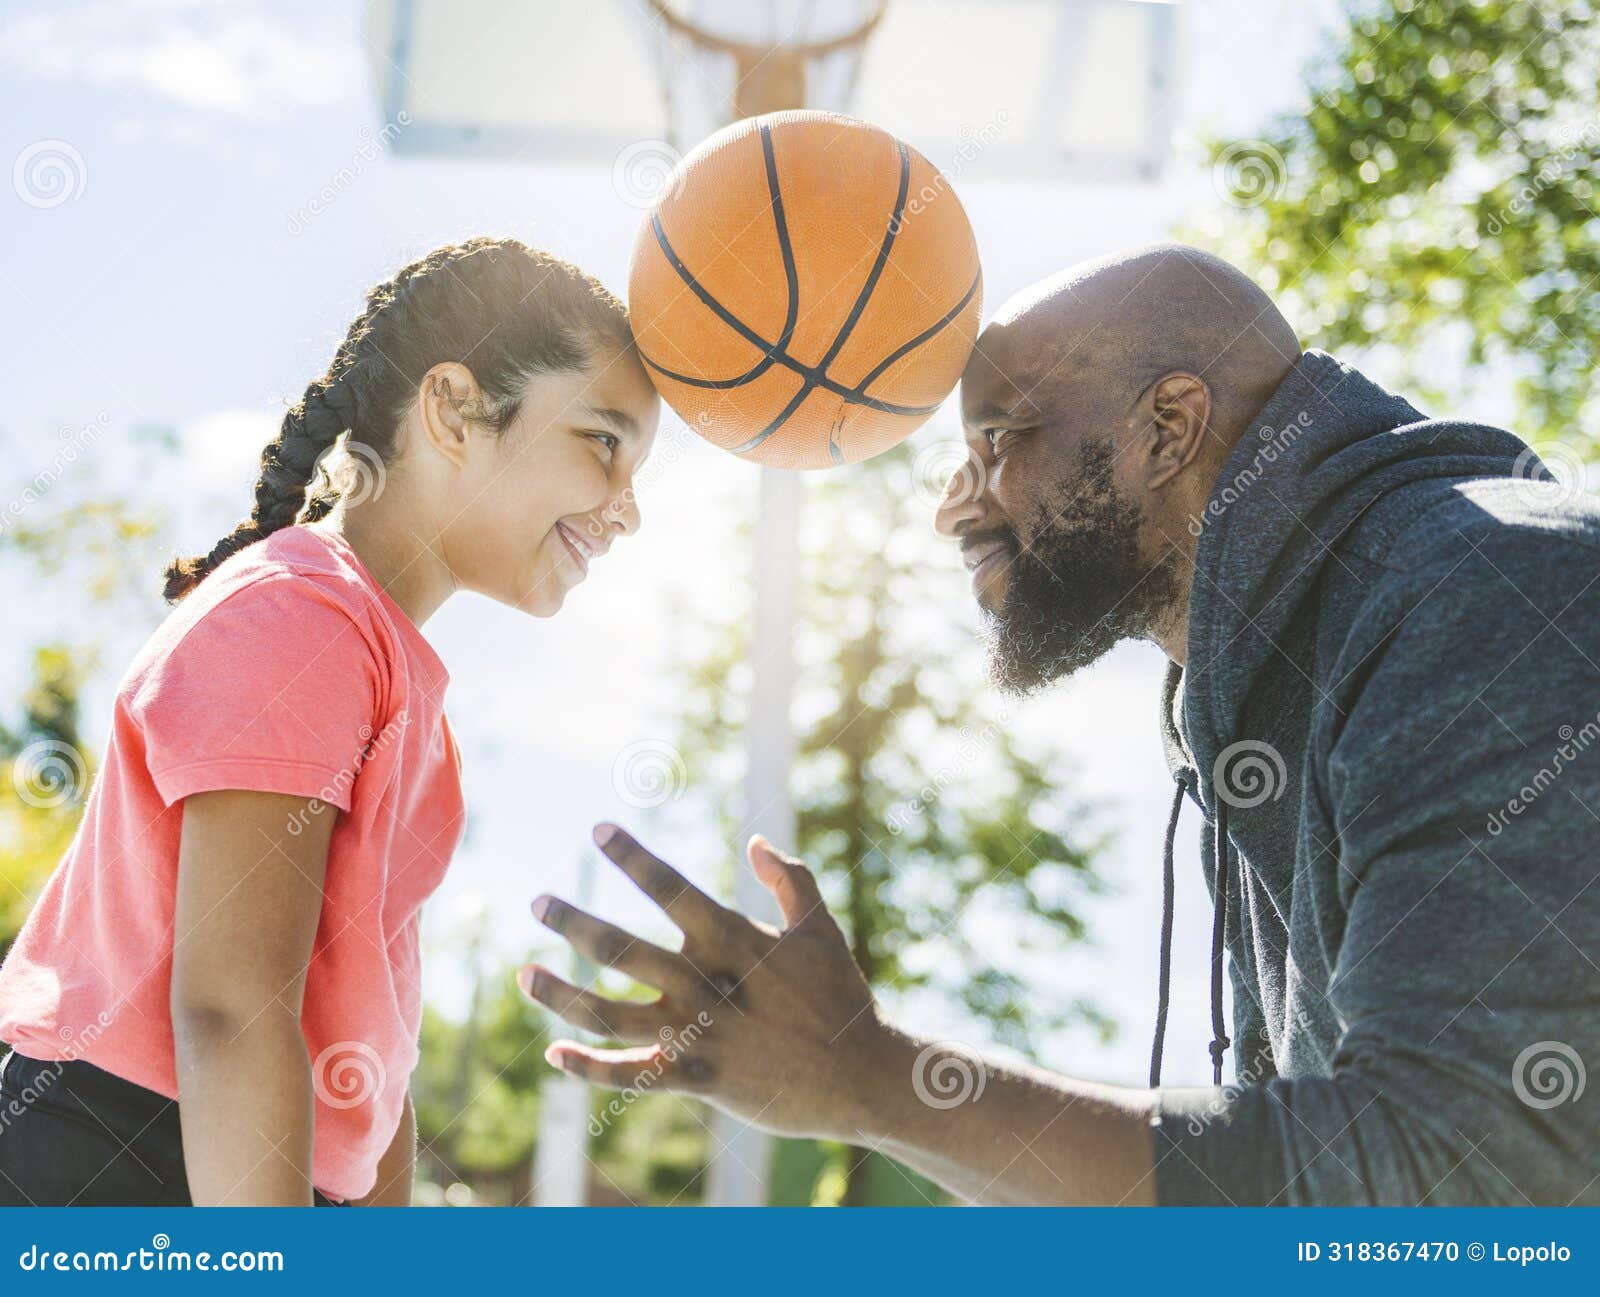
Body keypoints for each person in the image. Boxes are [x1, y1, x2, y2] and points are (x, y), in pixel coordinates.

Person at [520, 243, 1600, 1206]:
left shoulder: (1491, 590)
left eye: (998, 436)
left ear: (1168, 427)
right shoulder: (1267, 679)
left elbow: (1470, 1179)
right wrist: (864, 1086)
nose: (953, 501)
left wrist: (874, 1082)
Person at [0, 237, 660, 1206]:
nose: (627, 509)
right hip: (115, 1159)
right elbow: (230, 1006)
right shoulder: (299, 618)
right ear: (452, 408)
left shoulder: (395, 679)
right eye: (603, 442)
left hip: (240, 1168)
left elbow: (370, 1069)